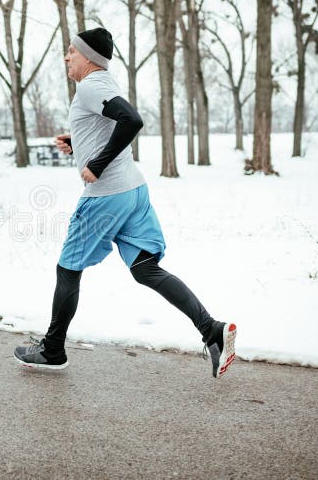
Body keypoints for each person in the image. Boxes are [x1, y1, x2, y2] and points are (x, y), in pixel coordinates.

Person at [13, 27, 237, 378]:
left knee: (68, 269)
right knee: (146, 269)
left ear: (88, 56)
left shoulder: (92, 85)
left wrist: (96, 164)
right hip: (133, 191)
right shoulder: (103, 84)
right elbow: (112, 124)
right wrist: (79, 141)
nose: (66, 56)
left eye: (72, 50)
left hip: (107, 196)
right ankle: (212, 330)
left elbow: (132, 120)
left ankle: (52, 349)